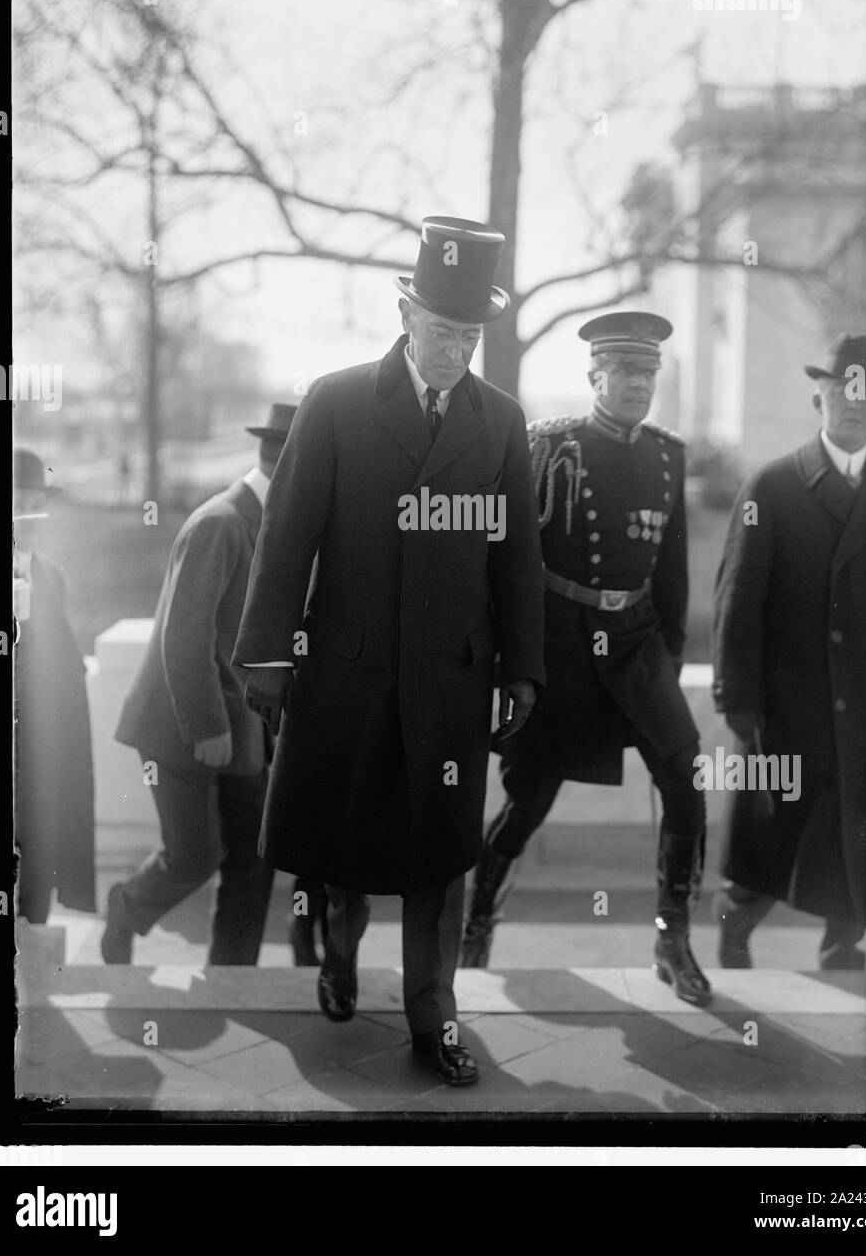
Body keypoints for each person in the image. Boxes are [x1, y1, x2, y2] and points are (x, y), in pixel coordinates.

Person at [233, 216, 546, 1085]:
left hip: (451, 680)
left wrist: (521, 664)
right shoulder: (336, 403)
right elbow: (287, 535)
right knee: (346, 843)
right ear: (406, 315)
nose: (453, 350)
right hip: (350, 670)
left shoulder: (501, 422)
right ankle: (337, 950)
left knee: (438, 856)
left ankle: (432, 1014)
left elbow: (517, 556)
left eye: (469, 335)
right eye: (440, 330)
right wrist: (266, 653)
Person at [460, 312, 712, 1006]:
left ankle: (672, 936)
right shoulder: (549, 446)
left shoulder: (667, 454)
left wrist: (665, 661)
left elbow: (672, 574)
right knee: (527, 798)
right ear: (595, 375)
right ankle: (477, 923)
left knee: (686, 779)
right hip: (561, 646)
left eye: (648, 373)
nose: (638, 385)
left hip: (634, 645)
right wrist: (515, 660)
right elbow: (504, 559)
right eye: (625, 372)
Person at [103, 404, 299, 966]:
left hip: (242, 730)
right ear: (289, 464)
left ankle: (232, 975)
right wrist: (208, 726)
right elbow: (183, 639)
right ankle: (127, 907)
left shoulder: (269, 521)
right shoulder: (222, 523)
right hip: (180, 728)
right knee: (194, 858)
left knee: (255, 857)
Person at [712, 333, 866, 969]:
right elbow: (737, 599)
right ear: (820, 397)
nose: (854, 403)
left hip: (865, 701)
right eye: (842, 389)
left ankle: (844, 942)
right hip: (790, 700)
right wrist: (738, 699)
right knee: (771, 830)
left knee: (858, 829)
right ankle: (734, 926)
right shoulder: (774, 485)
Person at [13, 448, 97, 925]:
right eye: (16, 499)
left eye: (35, 500)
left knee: (38, 870)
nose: (28, 513)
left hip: (37, 757)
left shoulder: (53, 577)